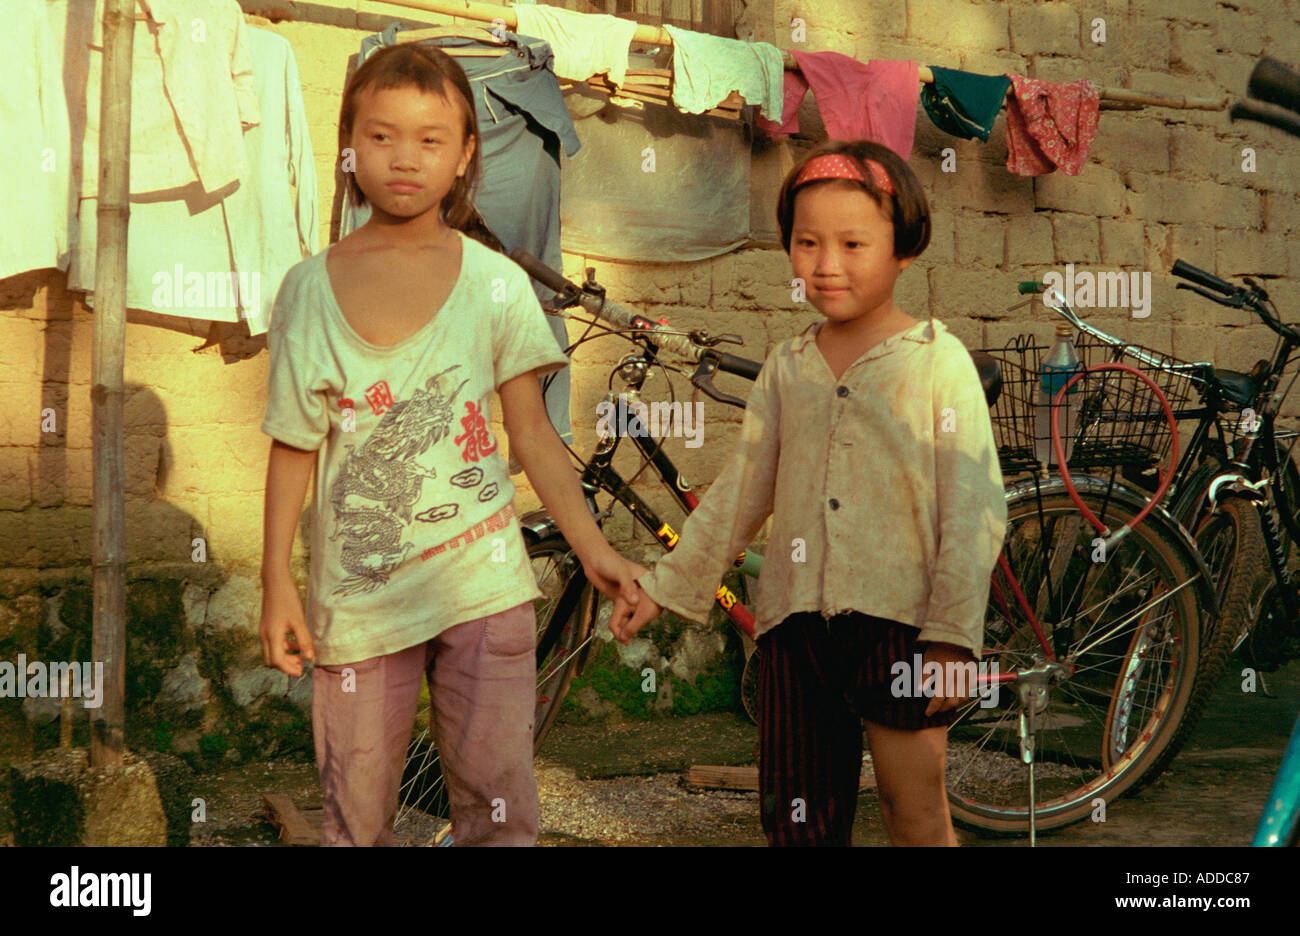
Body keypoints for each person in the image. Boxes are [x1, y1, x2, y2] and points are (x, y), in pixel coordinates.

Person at [258, 43, 644, 846]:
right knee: (355, 815)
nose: (406, 159)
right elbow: (293, 444)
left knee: (498, 806)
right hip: (359, 602)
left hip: (483, 589)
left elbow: (533, 435)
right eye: (383, 136)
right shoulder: (307, 290)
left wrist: (594, 547)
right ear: (350, 145)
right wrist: (275, 583)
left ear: (468, 152)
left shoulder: (494, 284)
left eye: (432, 139)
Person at [609, 140, 1007, 847]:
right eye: (807, 243)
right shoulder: (788, 369)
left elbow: (974, 509)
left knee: (911, 810)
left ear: (905, 246)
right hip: (794, 631)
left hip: (902, 626)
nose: (827, 264)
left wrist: (950, 640)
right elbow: (739, 493)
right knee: (797, 821)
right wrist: (664, 584)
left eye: (854, 243)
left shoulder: (937, 361)